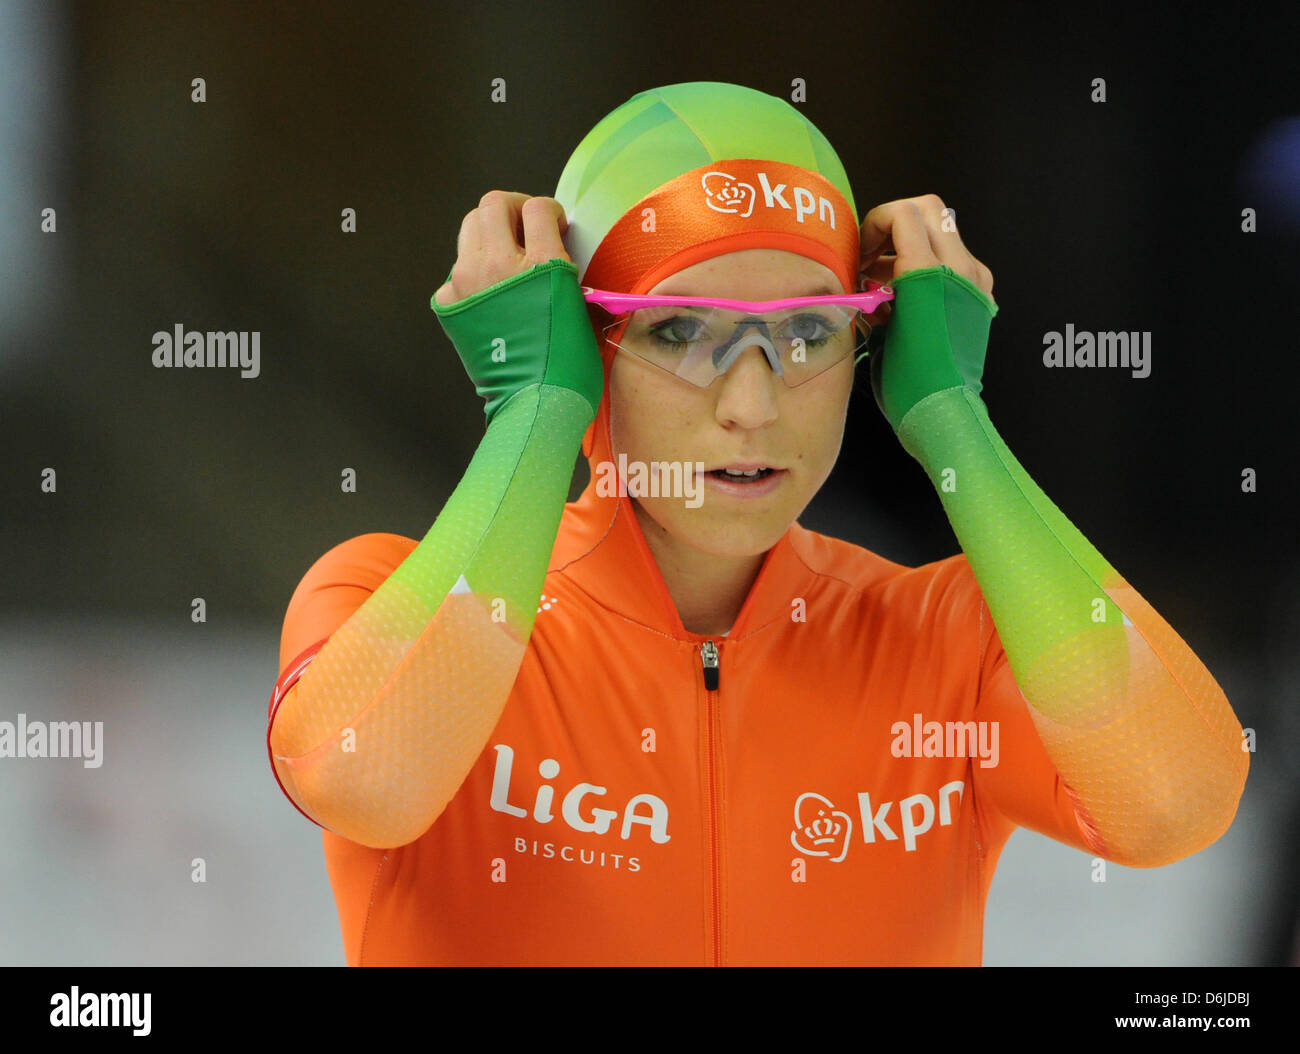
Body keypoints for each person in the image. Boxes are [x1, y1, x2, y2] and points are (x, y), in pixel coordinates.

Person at [265, 81, 1248, 966]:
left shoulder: (946, 638)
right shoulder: (386, 596)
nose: (751, 403)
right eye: (681, 329)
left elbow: (1172, 805)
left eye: (807, 331)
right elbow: (367, 782)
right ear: (581, 341)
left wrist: (956, 420)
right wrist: (533, 413)